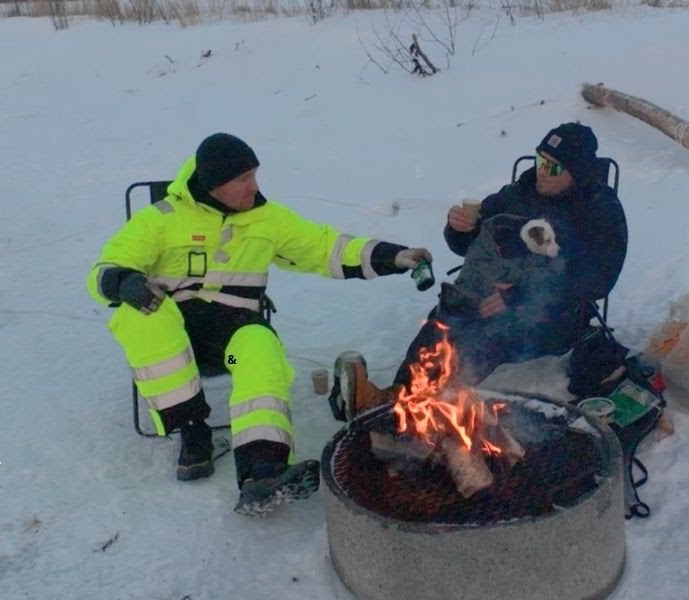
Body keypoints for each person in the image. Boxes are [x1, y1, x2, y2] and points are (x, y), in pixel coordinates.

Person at [88, 132, 433, 515]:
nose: (254, 186)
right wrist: (123, 281)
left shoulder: (268, 219)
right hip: (177, 343)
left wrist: (395, 257)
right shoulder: (161, 219)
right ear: (213, 184)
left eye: (254, 174)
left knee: (258, 350)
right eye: (242, 179)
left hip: (229, 349)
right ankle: (193, 433)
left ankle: (262, 470)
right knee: (139, 316)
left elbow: (326, 248)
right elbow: (105, 268)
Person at [332, 122, 628, 421]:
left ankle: (409, 411)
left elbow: (597, 279)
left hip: (553, 315)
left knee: (486, 334)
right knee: (446, 321)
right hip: (488, 293)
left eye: (553, 168)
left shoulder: (598, 211)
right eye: (540, 161)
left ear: (575, 174)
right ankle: (395, 396)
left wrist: (519, 297)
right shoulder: (519, 193)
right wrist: (459, 229)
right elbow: (469, 246)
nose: (541, 171)